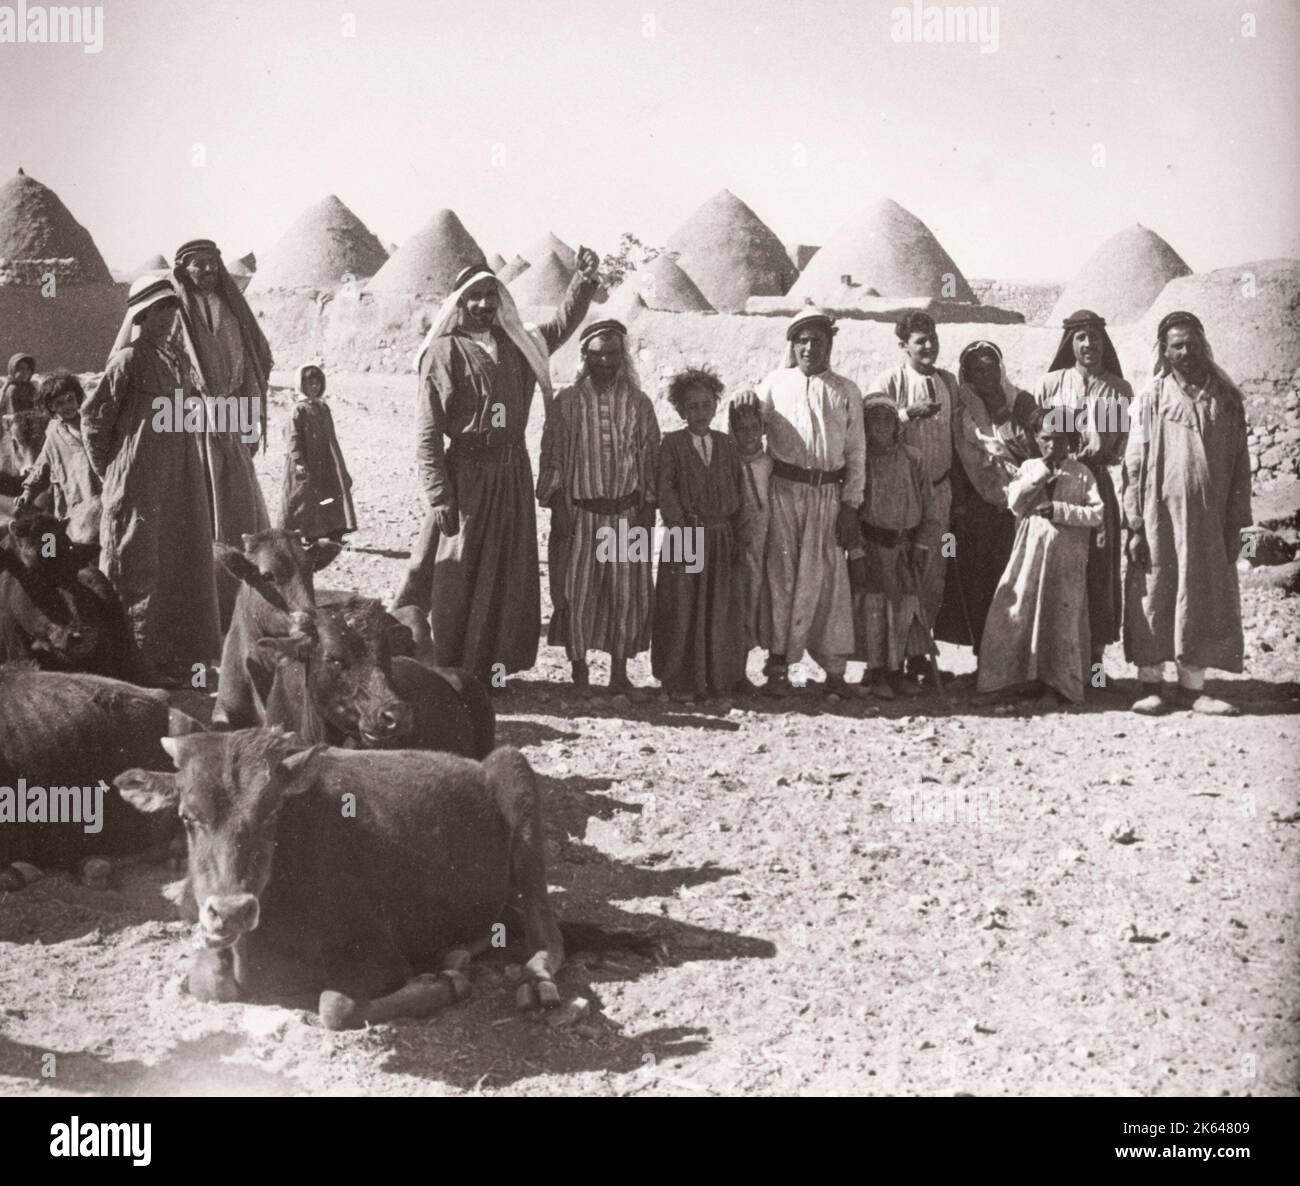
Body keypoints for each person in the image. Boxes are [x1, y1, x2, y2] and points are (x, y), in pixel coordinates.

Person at [401, 252, 599, 690]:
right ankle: (446, 670)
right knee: (455, 573)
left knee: (506, 573)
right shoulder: (443, 352)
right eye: (475, 297)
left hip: (511, 474)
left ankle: (492, 670)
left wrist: (582, 282)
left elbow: (562, 326)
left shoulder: (518, 344)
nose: (484, 305)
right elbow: (429, 433)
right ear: (459, 303)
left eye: (491, 295)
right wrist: (439, 495)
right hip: (467, 476)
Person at [82, 275, 222, 685]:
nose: (167, 317)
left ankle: (166, 657)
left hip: (177, 479)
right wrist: (111, 470)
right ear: (141, 314)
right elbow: (94, 419)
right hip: (138, 478)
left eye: (171, 309)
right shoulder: (127, 360)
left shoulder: (176, 360)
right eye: (159, 310)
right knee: (134, 564)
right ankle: (133, 662)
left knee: (174, 562)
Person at [1123, 311, 1251, 716]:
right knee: (1154, 593)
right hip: (1158, 515)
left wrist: (1236, 523)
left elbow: (1241, 467)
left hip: (1210, 523)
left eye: (1192, 344)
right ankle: (1151, 685)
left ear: (1203, 345)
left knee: (1203, 595)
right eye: (1177, 345)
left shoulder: (1227, 398)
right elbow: (1134, 463)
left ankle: (1194, 689)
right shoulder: (1151, 398)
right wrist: (1135, 524)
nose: (1186, 352)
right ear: (1165, 350)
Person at [734, 307, 865, 697]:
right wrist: (744, 398)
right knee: (781, 578)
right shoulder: (775, 384)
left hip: (827, 496)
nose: (810, 347)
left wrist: (851, 505)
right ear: (792, 345)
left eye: (818, 340)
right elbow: (747, 429)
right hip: (783, 493)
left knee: (829, 581)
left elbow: (856, 453)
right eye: (802, 340)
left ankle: (835, 671)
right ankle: (777, 664)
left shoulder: (846, 391)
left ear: (830, 343)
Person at [536, 319, 659, 695]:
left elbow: (649, 457)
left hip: (626, 513)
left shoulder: (639, 403)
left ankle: (619, 675)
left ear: (622, 356)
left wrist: (647, 507)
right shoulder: (568, 403)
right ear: (585, 357)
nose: (605, 360)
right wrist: (558, 507)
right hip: (581, 514)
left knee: (626, 595)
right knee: (577, 592)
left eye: (612, 353)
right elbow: (552, 456)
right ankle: (580, 674)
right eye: (597, 353)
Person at [170, 239, 273, 626]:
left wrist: (250, 420)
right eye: (198, 266)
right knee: (199, 502)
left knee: (238, 503)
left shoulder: (232, 311)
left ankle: (240, 587)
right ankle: (202, 595)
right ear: (184, 271)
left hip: (230, 417)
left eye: (212, 264)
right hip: (193, 420)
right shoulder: (176, 313)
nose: (208, 272)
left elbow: (251, 364)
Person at [976, 413, 1103, 709]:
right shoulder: (1029, 467)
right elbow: (1015, 504)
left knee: (1058, 619)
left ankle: (1056, 685)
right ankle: (1013, 679)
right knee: (1020, 610)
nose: (1051, 445)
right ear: (1036, 439)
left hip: (1066, 560)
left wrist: (1060, 510)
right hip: (1030, 555)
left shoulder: (1082, 473)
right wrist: (1041, 474)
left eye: (1059, 439)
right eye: (1045, 438)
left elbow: (1096, 513)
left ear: (1070, 441)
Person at [1034, 309, 1131, 682]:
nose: (1089, 344)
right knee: (1056, 570)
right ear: (1069, 343)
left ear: (1105, 342)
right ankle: (1052, 664)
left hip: (1098, 485)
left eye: (1095, 336)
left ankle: (1093, 668)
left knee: (1098, 573)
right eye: (1080, 337)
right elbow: (1040, 438)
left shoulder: (1119, 391)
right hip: (1056, 483)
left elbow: (1118, 448)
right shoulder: (1051, 385)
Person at [866, 311, 956, 684]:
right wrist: (907, 415)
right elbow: (873, 428)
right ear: (904, 346)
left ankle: (919, 653)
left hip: (940, 492)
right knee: (894, 580)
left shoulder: (948, 381)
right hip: (899, 495)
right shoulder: (890, 381)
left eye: (932, 337)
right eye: (920, 340)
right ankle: (890, 662)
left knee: (932, 575)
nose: (929, 345)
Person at [936, 340, 1039, 662]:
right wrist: (961, 507)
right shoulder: (963, 415)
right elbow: (957, 461)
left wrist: (1008, 422)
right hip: (979, 513)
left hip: (1022, 508)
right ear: (967, 375)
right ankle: (986, 662)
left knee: (1017, 584)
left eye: (991, 366)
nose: (987, 375)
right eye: (978, 370)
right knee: (981, 584)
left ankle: (1018, 663)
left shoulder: (1022, 402)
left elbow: (1043, 446)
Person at [651, 366, 746, 701]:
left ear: (716, 406)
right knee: (682, 609)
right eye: (692, 407)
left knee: (718, 610)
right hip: (685, 537)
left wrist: (738, 536)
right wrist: (681, 530)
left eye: (706, 405)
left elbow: (740, 492)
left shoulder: (727, 445)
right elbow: (666, 490)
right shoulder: (672, 444)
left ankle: (717, 681)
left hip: (721, 538)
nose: (700, 413)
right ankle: (678, 682)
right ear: (680, 410)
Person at [848, 395, 940, 699]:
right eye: (873, 420)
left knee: (904, 610)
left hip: (906, 547)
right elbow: (852, 511)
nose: (881, 426)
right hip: (874, 546)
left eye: (887, 419)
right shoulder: (860, 462)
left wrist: (923, 544)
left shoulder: (913, 458)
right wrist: (857, 550)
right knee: (875, 610)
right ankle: (875, 673)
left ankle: (896, 671)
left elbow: (929, 507)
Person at [14, 372, 102, 547]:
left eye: (70, 399)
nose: (67, 405)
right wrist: (28, 492)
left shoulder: (92, 425)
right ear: (50, 407)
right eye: (59, 403)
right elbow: (42, 466)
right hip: (74, 500)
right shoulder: (54, 433)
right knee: (77, 544)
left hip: (99, 495)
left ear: (78, 397)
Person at [280, 364, 357, 546]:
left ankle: (334, 531)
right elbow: (292, 437)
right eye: (309, 384)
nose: (313, 387)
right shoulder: (298, 410)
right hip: (307, 462)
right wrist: (298, 460)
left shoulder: (323, 408)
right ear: (301, 386)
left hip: (326, 460)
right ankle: (307, 533)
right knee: (304, 498)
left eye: (316, 383)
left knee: (331, 493)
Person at [728, 398, 772, 687]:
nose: (749, 434)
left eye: (754, 428)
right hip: (735, 543)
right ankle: (732, 671)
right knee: (735, 603)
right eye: (741, 429)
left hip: (763, 542)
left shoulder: (769, 463)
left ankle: (753, 670)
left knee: (757, 602)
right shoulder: (728, 460)